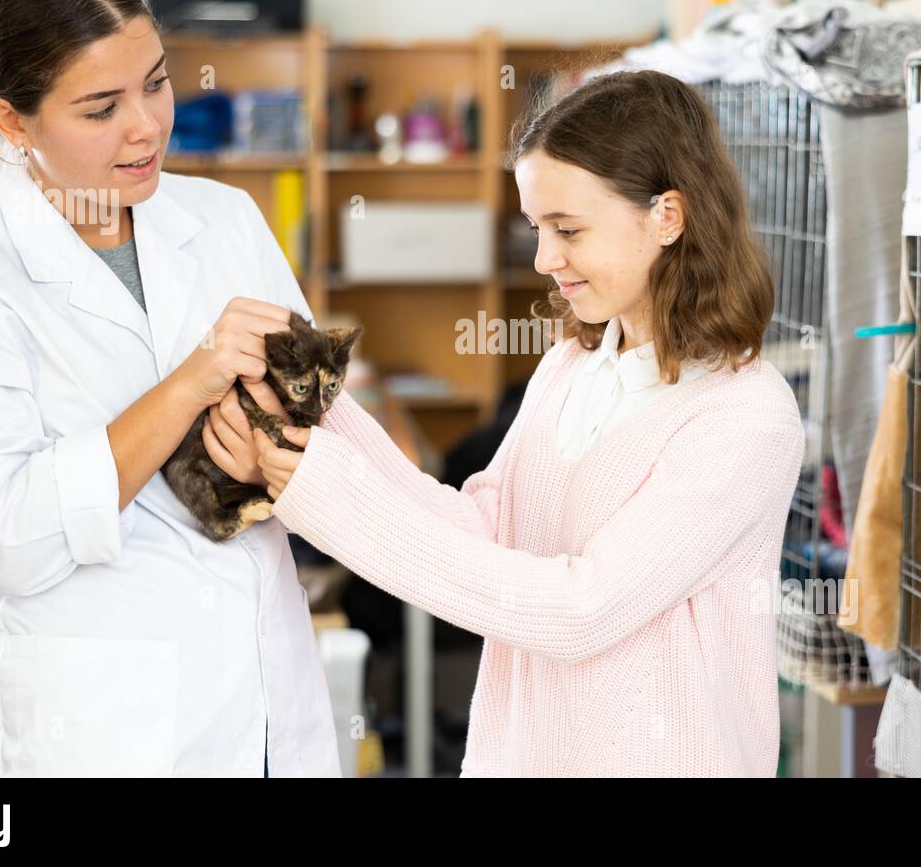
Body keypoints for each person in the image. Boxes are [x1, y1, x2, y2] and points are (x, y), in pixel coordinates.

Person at [253, 69, 806, 776]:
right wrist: (316, 409)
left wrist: (318, 487)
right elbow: (482, 524)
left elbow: (580, 609)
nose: (545, 260)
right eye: (537, 229)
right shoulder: (573, 365)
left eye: (567, 229)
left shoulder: (744, 416)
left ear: (667, 216)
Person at [0, 0, 338, 776]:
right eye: (101, 108)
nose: (147, 127)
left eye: (156, 83)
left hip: (273, 703)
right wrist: (191, 382)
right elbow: (5, 533)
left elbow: (314, 439)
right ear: (12, 121)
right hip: (110, 731)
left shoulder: (224, 218)